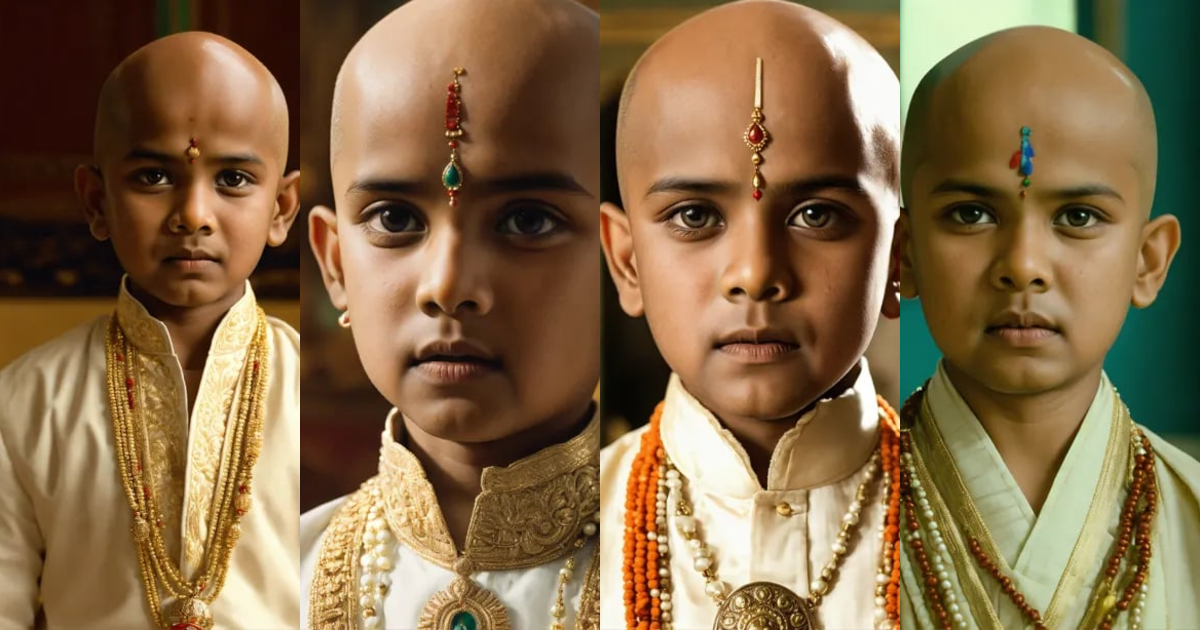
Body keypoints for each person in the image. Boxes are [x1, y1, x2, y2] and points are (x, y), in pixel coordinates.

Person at [598, 1, 905, 627]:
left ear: (900, 259)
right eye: (695, 216)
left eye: (817, 215)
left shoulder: (979, 536)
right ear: (627, 262)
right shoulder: (552, 549)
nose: (757, 274)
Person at [300, 0, 602, 628]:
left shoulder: (700, 581)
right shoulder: (268, 586)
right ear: (335, 267)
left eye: (527, 220)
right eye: (395, 219)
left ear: (625, 259)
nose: (448, 286)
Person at [895, 25, 1200, 629]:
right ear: (905, 255)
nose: (1024, 266)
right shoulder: (829, 524)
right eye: (971, 214)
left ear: (1148, 260)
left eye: (1078, 216)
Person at [0, 31, 302, 629]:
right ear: (96, 202)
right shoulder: (26, 402)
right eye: (152, 178)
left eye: (235, 180)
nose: (193, 214)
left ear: (282, 208)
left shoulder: (314, 399)